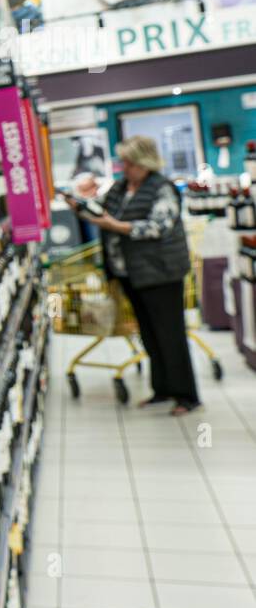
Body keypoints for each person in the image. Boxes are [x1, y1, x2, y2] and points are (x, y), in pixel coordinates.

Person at [63, 135, 201, 415]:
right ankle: (161, 389)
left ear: (143, 162)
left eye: (128, 162)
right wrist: (79, 205)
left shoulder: (162, 188)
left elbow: (157, 227)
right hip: (129, 273)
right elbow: (102, 211)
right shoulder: (121, 188)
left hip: (160, 273)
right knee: (149, 334)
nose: (123, 167)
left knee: (170, 334)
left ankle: (187, 396)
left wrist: (117, 226)